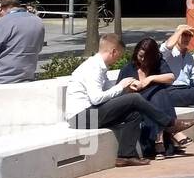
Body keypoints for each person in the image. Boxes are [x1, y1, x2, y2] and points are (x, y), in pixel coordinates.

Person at [64, 34, 183, 168]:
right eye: (119, 55)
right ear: (113, 51)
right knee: (134, 98)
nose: (119, 59)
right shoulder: (93, 67)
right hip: (80, 117)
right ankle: (170, 123)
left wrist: (125, 88)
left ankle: (125, 156)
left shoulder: (100, 67)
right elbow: (96, 99)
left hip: (90, 114)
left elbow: (109, 93)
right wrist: (121, 86)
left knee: (134, 114)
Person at [0, 0, 46, 84]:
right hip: (27, 78)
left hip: (1, 80)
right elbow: (39, 48)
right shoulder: (38, 21)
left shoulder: (1, 23)